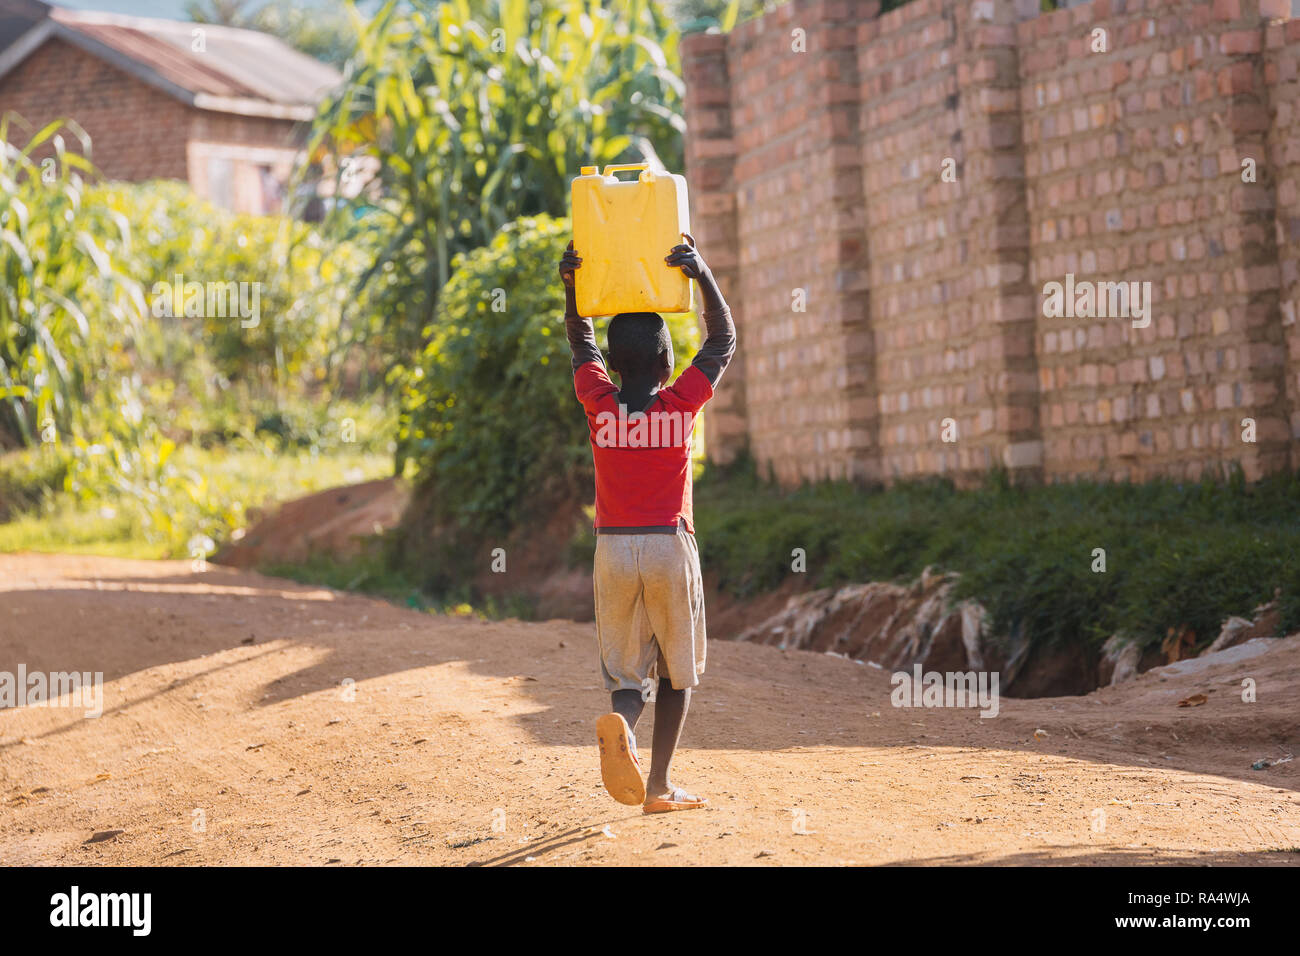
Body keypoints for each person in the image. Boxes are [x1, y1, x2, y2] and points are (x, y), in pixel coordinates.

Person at [558, 233, 736, 814]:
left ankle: (623, 729)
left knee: (626, 671)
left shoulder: (598, 402)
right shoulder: (679, 404)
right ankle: (657, 785)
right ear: (665, 363)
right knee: (679, 674)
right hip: (667, 544)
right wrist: (701, 272)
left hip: (612, 549)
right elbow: (722, 340)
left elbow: (581, 341)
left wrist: (572, 288)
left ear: (613, 365)